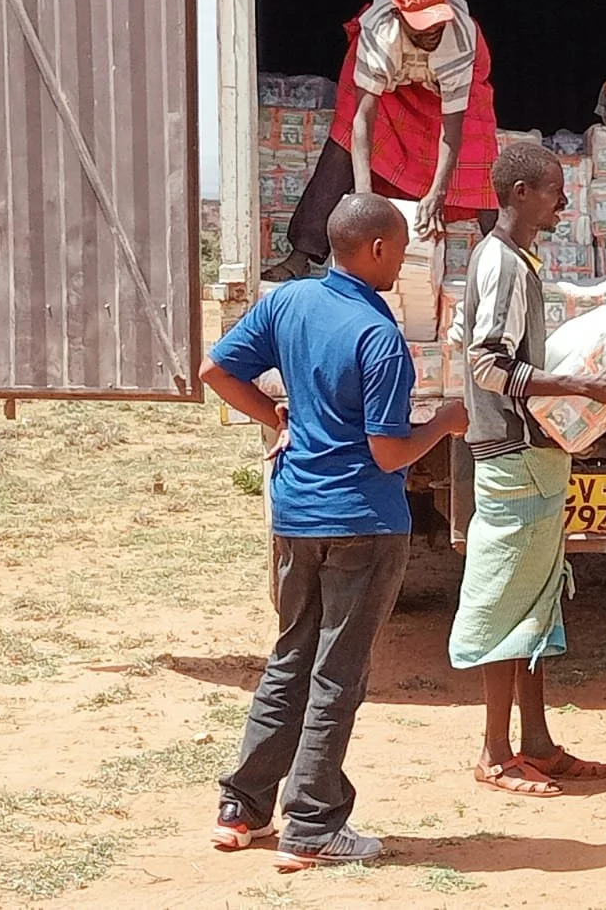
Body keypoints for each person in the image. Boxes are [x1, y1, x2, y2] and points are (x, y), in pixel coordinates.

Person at [202, 193, 469, 871]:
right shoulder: (378, 336)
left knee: (291, 657)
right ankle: (313, 823)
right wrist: (443, 424)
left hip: (296, 513)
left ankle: (242, 807)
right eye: (401, 249)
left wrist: (276, 417)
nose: (402, 262)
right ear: (376, 249)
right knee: (338, 673)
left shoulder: (289, 302)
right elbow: (389, 453)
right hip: (364, 521)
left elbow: (215, 370)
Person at [447, 144, 606, 796]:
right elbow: (486, 365)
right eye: (555, 190)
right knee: (508, 600)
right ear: (522, 193)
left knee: (536, 598)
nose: (564, 201)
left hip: (531, 452)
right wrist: (580, 388)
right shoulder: (503, 262)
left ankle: (536, 743)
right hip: (513, 454)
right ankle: (494, 753)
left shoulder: (512, 259)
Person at [263, 0, 500, 280]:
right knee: (344, 142)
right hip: (389, 88)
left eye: (436, 21)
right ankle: (300, 254)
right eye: (422, 25)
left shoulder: (459, 37)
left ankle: (503, 262)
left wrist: (437, 193)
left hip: (443, 89)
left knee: (480, 158)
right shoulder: (378, 35)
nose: (433, 30)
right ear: (399, 16)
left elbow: (452, 128)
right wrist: (365, 200)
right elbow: (362, 119)